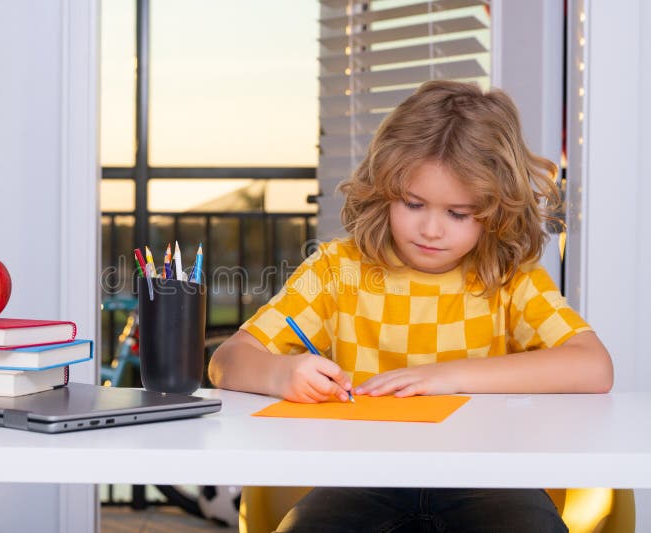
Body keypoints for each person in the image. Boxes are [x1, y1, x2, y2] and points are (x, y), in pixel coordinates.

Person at [208, 80, 613, 533]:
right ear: (384, 190)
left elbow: (593, 367)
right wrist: (281, 373)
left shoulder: (509, 278)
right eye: (413, 203)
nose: (432, 229)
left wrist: (445, 377)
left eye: (458, 214)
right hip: (359, 479)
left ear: (496, 210)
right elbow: (227, 361)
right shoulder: (337, 270)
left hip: (492, 476)